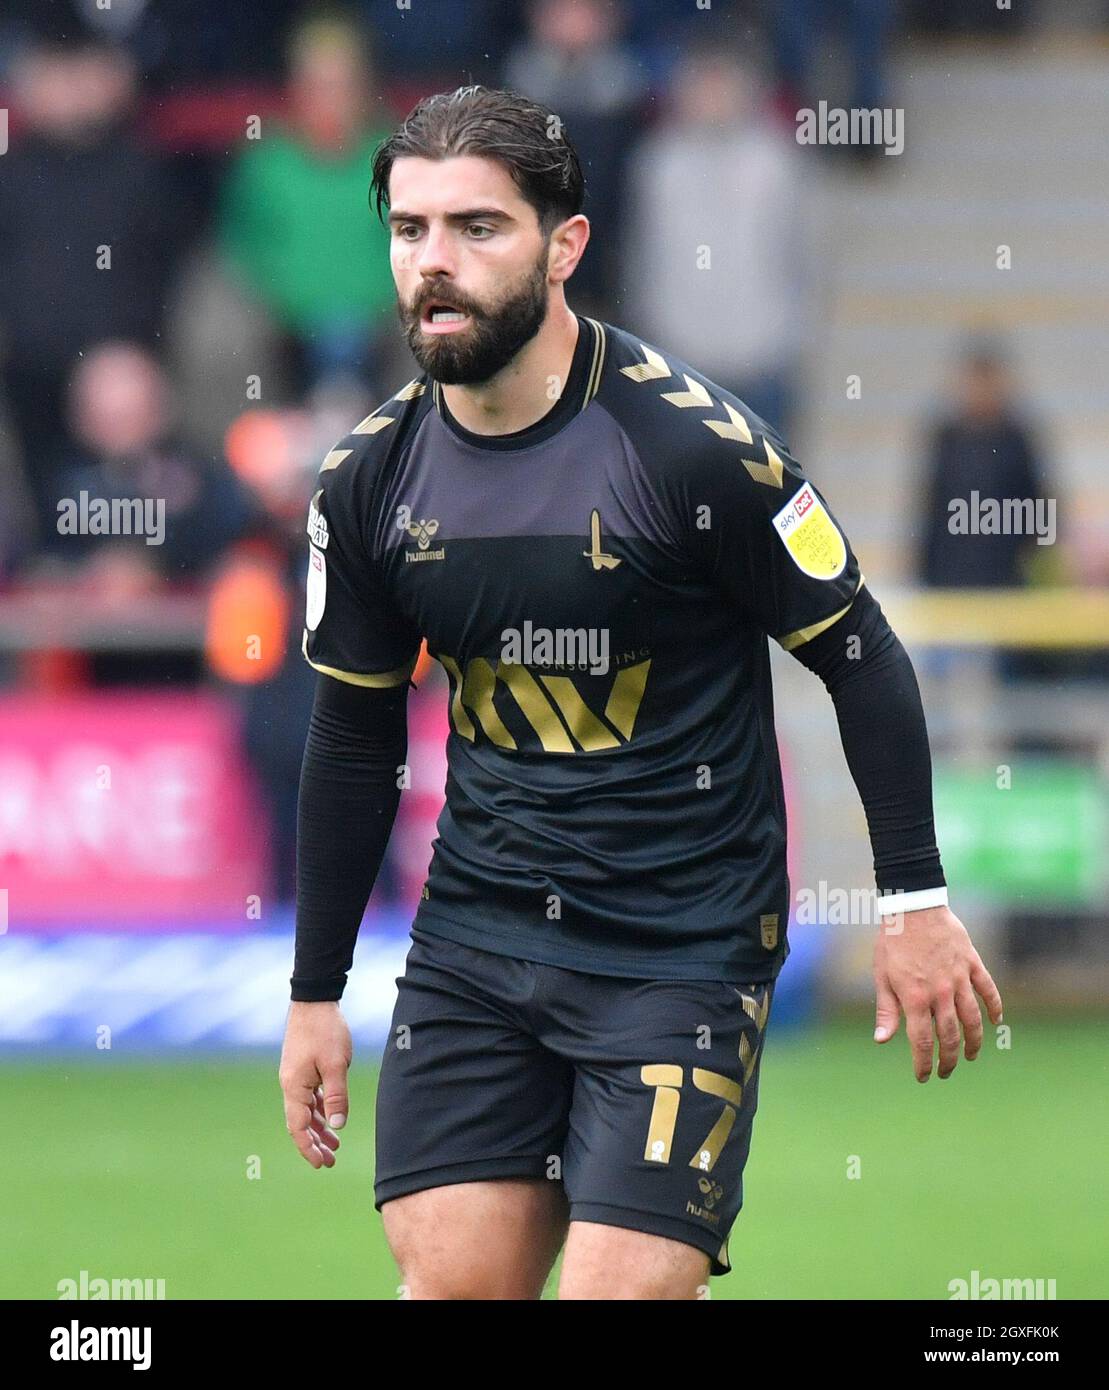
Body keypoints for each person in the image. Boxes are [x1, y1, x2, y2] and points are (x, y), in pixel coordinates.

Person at [278, 86, 1003, 1301]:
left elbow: (858, 650)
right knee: (448, 1282)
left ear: (565, 246)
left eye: (476, 228)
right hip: (477, 932)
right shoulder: (366, 482)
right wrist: (313, 993)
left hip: (680, 945)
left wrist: (911, 895)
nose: (434, 265)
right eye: (410, 232)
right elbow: (353, 738)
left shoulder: (690, 450)